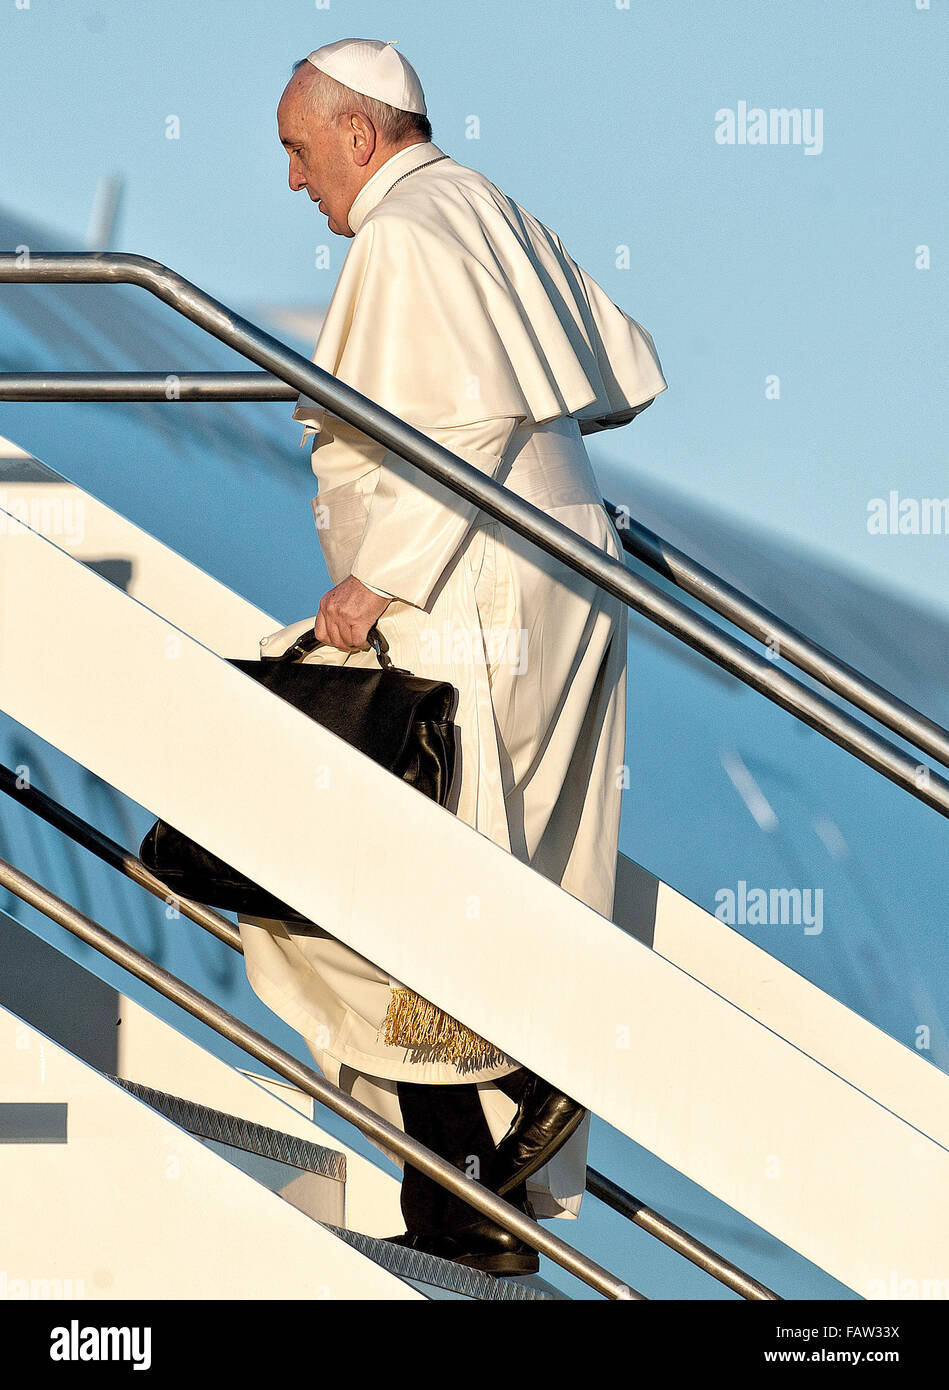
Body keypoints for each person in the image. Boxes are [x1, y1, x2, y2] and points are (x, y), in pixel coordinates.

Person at [237, 38, 667, 1278]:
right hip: (565, 560)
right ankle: (473, 1182)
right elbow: (611, 361)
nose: (291, 179)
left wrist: (383, 572)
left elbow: (467, 417)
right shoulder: (483, 203)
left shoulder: (404, 231)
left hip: (470, 580)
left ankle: (488, 1145)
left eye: (298, 147)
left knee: (390, 866)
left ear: (359, 136)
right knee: (492, 871)